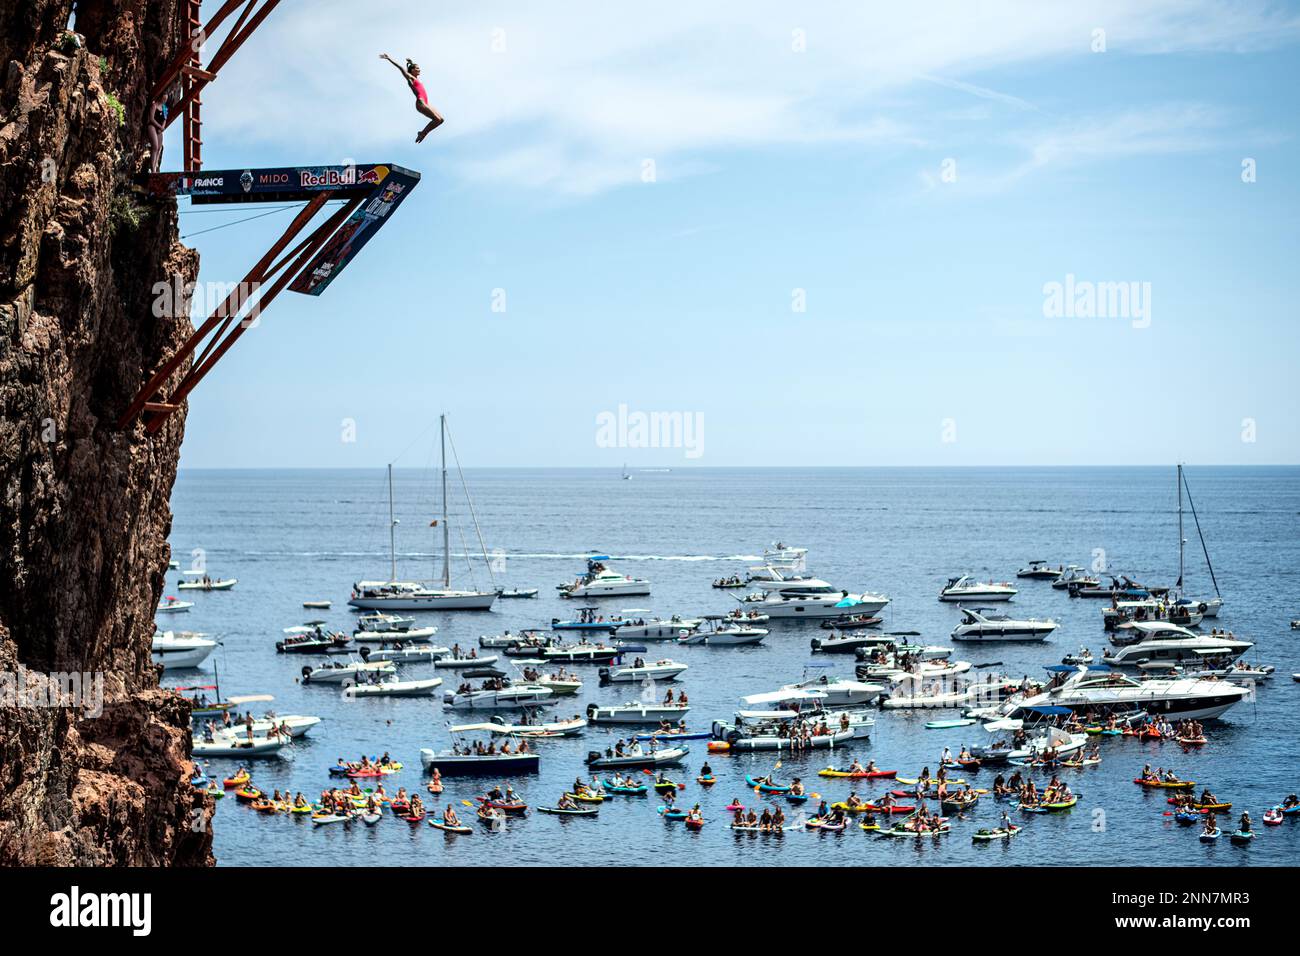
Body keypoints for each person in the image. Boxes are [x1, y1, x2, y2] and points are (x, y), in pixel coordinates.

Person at [379, 53, 444, 143]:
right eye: (417, 68)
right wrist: (389, 58)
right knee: (437, 120)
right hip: (421, 103)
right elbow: (401, 69)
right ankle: (422, 133)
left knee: (441, 120)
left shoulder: (415, 78)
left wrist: (411, 63)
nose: (419, 69)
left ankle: (422, 133)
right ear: (412, 71)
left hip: (426, 103)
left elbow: (410, 69)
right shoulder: (411, 78)